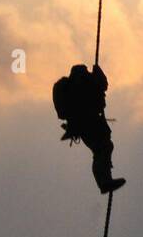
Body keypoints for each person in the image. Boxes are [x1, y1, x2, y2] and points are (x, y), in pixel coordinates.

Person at [52, 63, 125, 195]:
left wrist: (97, 71)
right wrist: (97, 72)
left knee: (103, 148)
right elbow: (103, 85)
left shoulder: (71, 85)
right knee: (102, 148)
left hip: (84, 125)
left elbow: (102, 86)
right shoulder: (81, 83)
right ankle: (104, 181)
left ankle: (105, 180)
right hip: (88, 124)